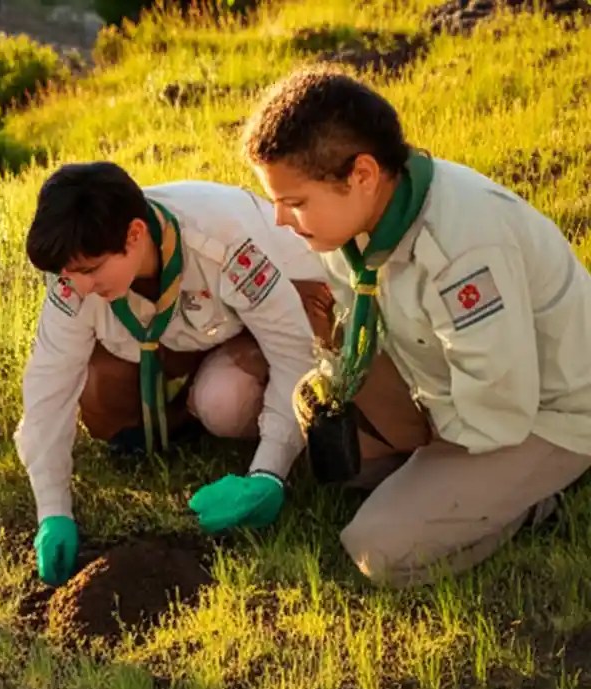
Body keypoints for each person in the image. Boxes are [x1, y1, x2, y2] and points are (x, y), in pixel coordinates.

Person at [240, 66, 591, 588]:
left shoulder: (464, 248)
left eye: (293, 202)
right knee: (330, 432)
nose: (279, 221)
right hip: (447, 386)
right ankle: (441, 487)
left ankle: (529, 502)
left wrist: (421, 439)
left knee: (378, 547)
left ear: (361, 174)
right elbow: (363, 329)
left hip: (541, 413)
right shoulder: (357, 221)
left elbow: (498, 410)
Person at [15, 161, 334, 587]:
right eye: (69, 275)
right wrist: (52, 510)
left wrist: (268, 473)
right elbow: (47, 389)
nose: (79, 286)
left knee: (225, 402)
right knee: (99, 396)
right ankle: (186, 418)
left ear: (134, 235)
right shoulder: (75, 272)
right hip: (191, 330)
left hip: (281, 303)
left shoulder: (224, 242)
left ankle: (223, 409)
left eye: (91, 271)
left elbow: (294, 353)